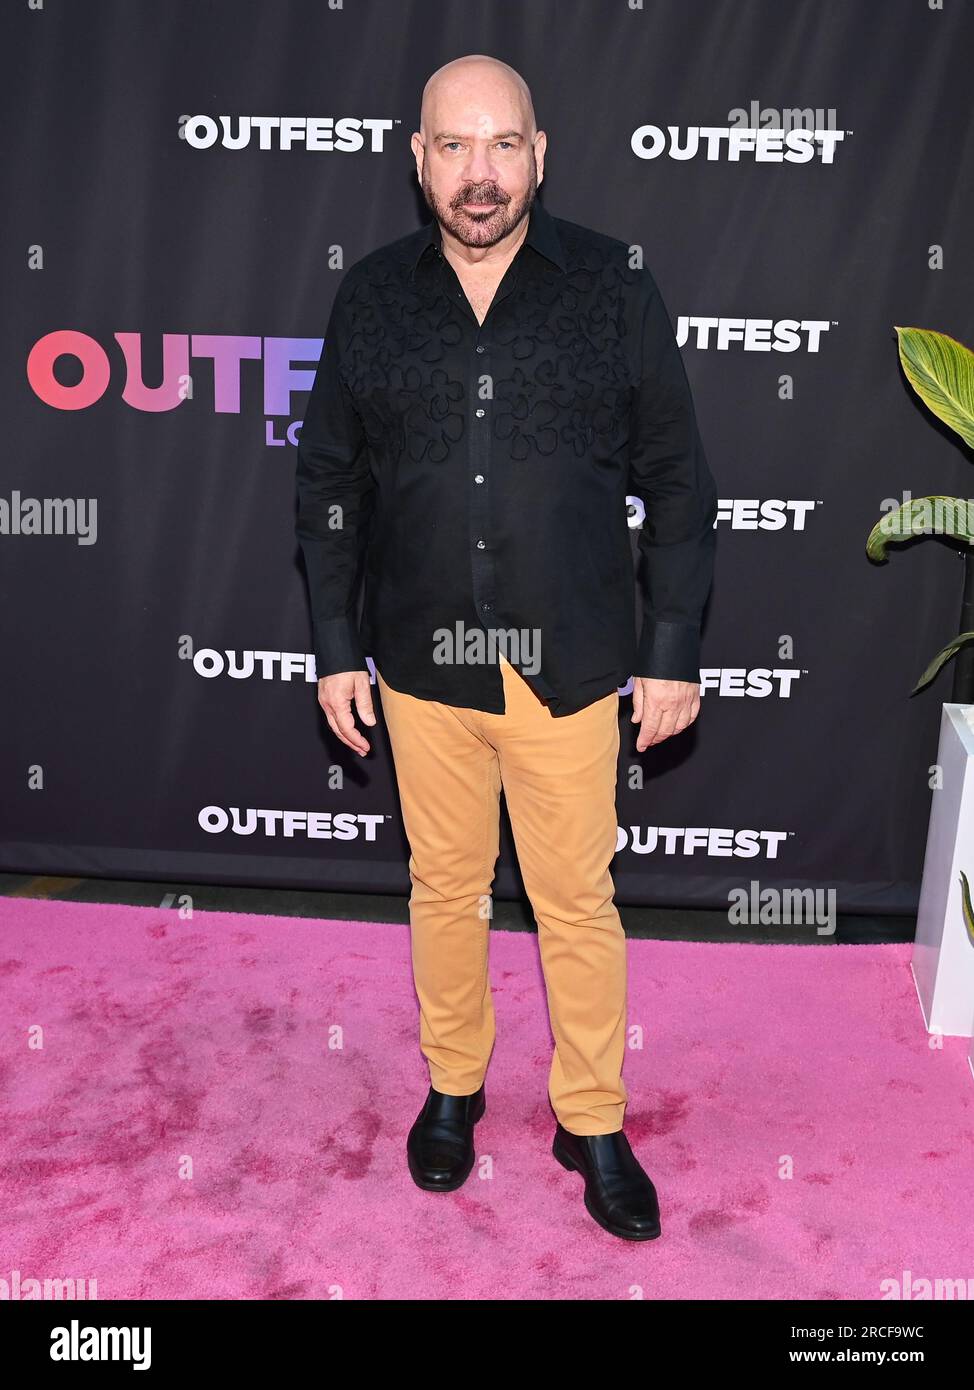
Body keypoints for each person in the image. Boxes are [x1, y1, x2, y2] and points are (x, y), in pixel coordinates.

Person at [295, 53, 717, 1241]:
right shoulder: (371, 297)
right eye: (452, 146)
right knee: (442, 889)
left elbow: (677, 481)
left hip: (569, 670)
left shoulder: (610, 286)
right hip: (420, 667)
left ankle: (590, 1116)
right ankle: (453, 1087)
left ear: (539, 153)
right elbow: (328, 478)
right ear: (417, 159)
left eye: (501, 146)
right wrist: (334, 642)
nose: (477, 174)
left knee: (575, 902)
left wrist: (672, 649)